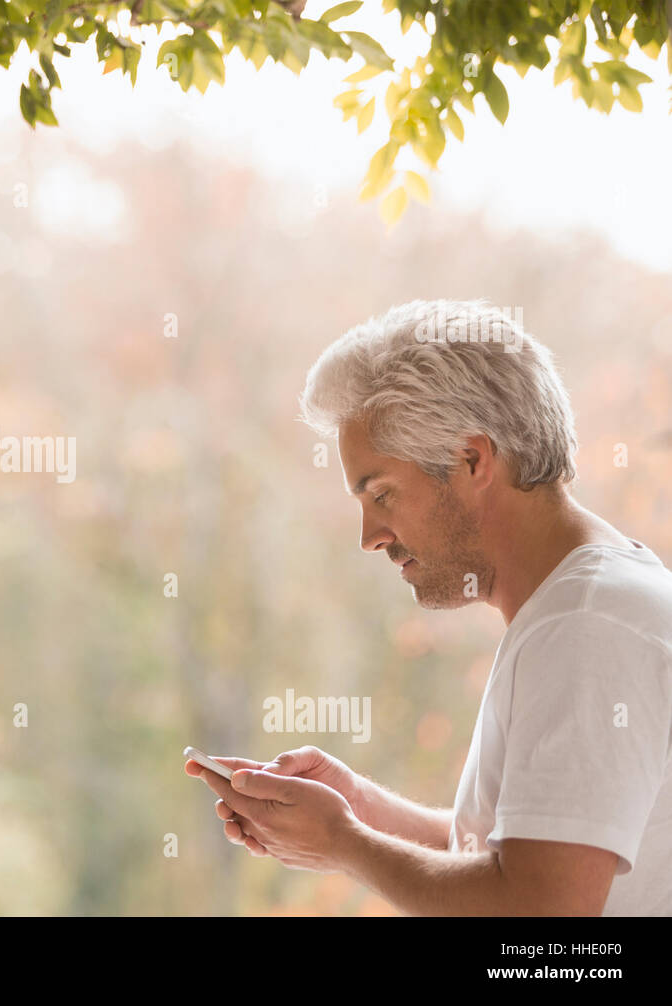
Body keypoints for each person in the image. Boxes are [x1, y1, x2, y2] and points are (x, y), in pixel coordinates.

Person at [186, 299, 672, 915]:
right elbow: (519, 858)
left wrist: (345, 844)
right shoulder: (584, 606)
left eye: (382, 493)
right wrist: (361, 808)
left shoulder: (587, 628)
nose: (370, 537)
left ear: (472, 460)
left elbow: (541, 920)